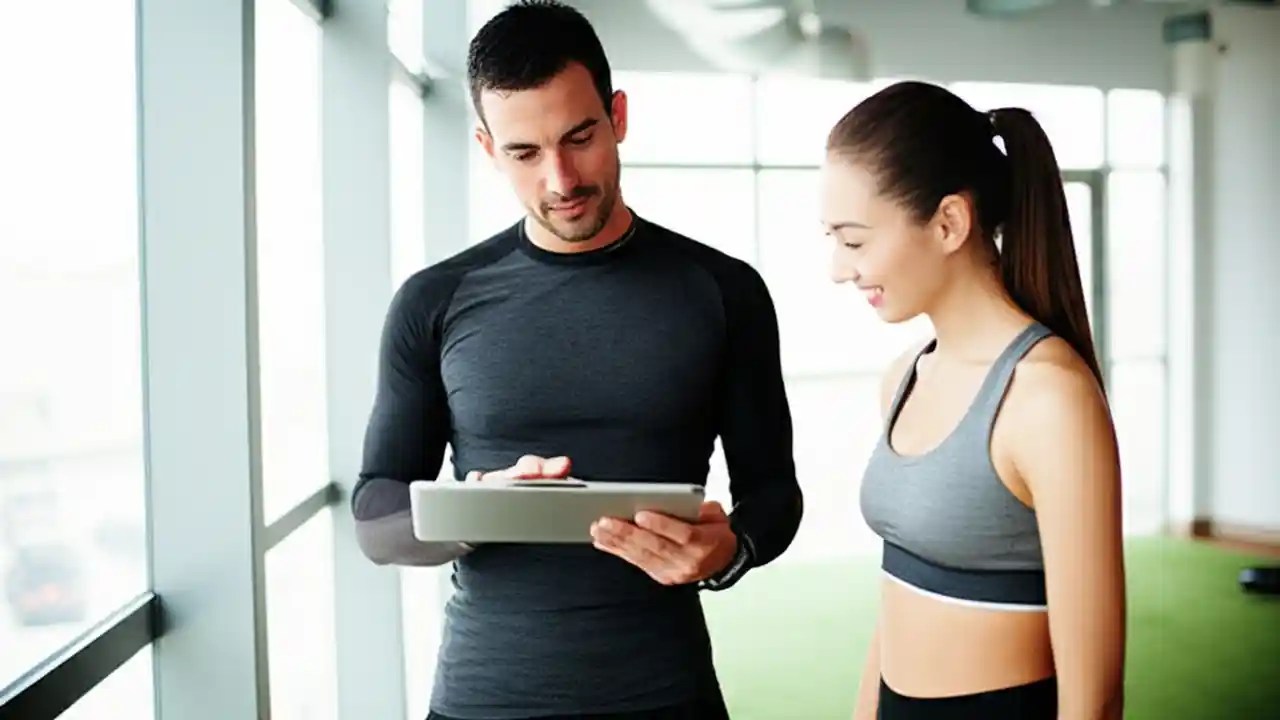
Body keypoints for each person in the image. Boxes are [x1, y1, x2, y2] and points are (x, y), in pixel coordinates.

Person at [351, 2, 803, 719]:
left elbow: (774, 494)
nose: (560, 179)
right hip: (483, 700)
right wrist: (478, 511)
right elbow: (374, 515)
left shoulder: (725, 292)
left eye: (580, 137)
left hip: (667, 695)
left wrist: (730, 552)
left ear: (617, 115)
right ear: (487, 147)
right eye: (524, 153)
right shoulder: (432, 302)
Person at [819, 81, 1127, 719]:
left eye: (853, 241)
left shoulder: (1049, 399)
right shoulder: (904, 378)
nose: (839, 269)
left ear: (949, 222)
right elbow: (896, 599)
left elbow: (1093, 697)